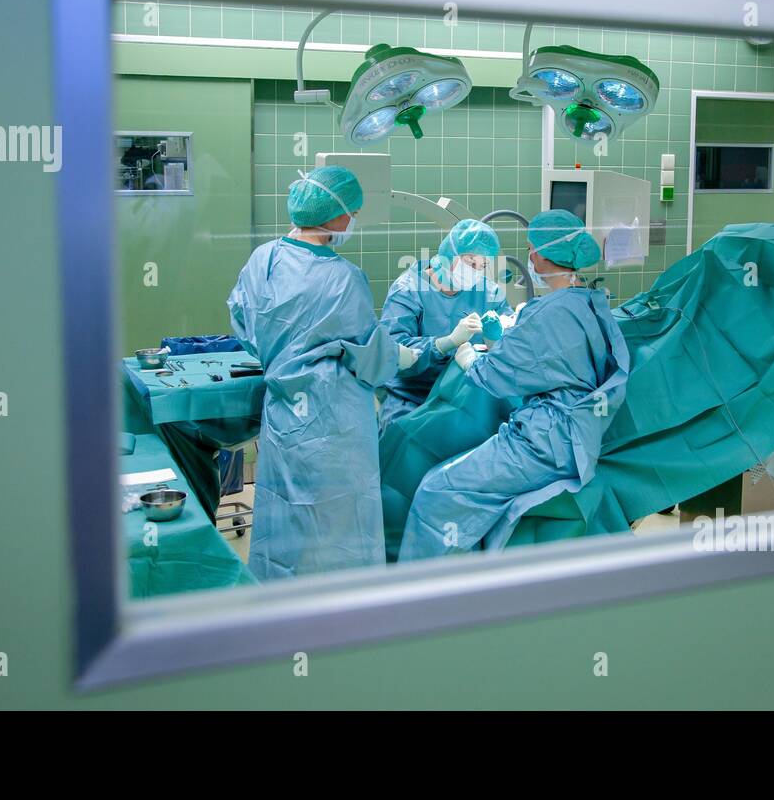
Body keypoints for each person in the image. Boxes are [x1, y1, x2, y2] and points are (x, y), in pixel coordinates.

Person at [397, 209, 630, 560]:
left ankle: (423, 600)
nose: (529, 255)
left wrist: (471, 356)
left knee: (436, 488)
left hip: (543, 438)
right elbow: (392, 353)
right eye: (469, 262)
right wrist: (461, 342)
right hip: (571, 431)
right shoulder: (591, 302)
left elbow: (496, 373)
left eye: (532, 248)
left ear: (542, 254)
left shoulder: (547, 312)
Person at [227, 165, 408, 580]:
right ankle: (343, 617)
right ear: (337, 215)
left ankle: (284, 611)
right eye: (353, 212)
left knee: (285, 518)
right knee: (340, 523)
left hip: (284, 416)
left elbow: (242, 320)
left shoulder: (264, 259)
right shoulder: (343, 279)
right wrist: (408, 357)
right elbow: (372, 360)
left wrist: (283, 356)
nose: (353, 221)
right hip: (334, 422)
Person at [377, 219, 512, 433]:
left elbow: (512, 343)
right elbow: (391, 352)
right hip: (413, 398)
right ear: (450, 254)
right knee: (404, 448)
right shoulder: (409, 290)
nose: (476, 271)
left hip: (467, 399)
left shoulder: (489, 293)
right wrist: (446, 343)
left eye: (483, 265)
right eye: (470, 262)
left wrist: (496, 337)